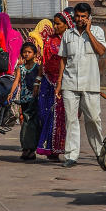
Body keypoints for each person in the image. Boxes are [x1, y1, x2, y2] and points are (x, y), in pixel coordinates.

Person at [57, 2, 106, 168]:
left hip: (90, 84)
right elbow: (63, 59)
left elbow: (101, 51)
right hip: (69, 83)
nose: (80, 19)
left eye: (83, 17)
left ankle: (100, 153)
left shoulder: (98, 31)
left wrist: (89, 32)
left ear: (89, 17)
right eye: (77, 16)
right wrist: (59, 83)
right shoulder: (67, 34)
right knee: (71, 120)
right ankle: (71, 155)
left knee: (93, 119)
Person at [35, 14, 69, 161]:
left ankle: (56, 150)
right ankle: (47, 146)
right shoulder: (49, 39)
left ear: (67, 24)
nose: (55, 27)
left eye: (58, 24)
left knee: (59, 117)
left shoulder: (70, 40)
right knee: (44, 114)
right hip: (47, 81)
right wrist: (37, 80)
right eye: (54, 24)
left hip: (64, 82)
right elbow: (43, 61)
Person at [10, 40, 42, 161]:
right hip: (23, 99)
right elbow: (16, 81)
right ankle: (25, 148)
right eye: (24, 52)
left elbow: (39, 82)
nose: (26, 54)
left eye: (29, 52)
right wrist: (11, 93)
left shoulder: (38, 68)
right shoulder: (20, 68)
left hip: (34, 99)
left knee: (32, 124)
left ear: (34, 54)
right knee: (25, 124)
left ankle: (31, 149)